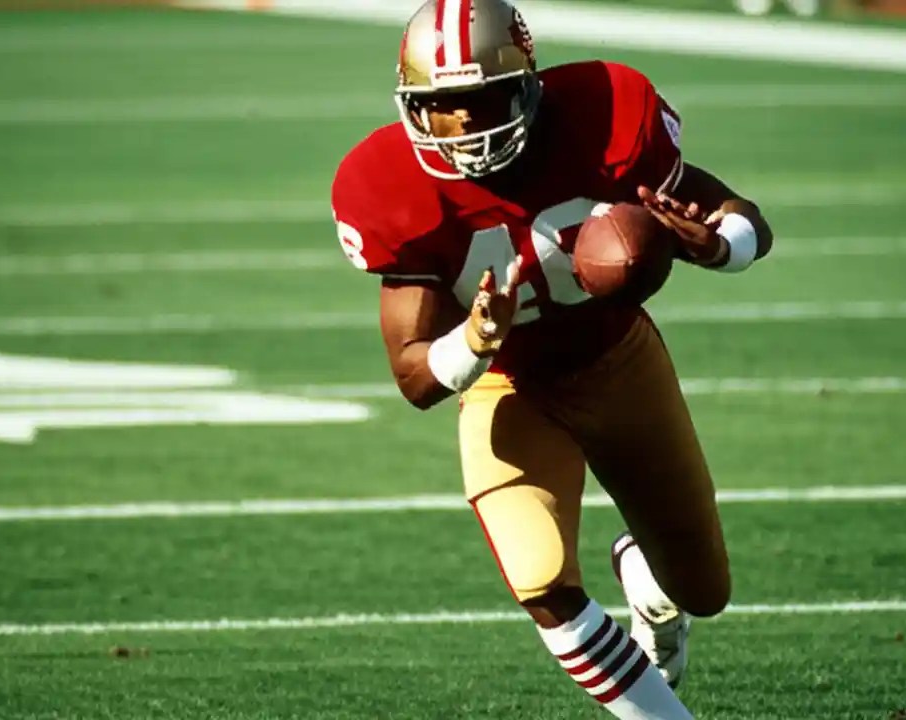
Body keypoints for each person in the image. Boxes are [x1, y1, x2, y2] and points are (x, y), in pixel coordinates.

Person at [329, 1, 774, 716]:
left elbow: (743, 215)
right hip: (509, 385)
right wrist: (475, 340)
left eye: (481, 100)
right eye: (442, 108)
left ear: (528, 84)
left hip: (616, 358)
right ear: (412, 106)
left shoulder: (604, 117)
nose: (466, 125)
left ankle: (652, 582)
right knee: (542, 581)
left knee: (704, 590)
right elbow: (413, 378)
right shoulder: (392, 186)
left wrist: (719, 246)